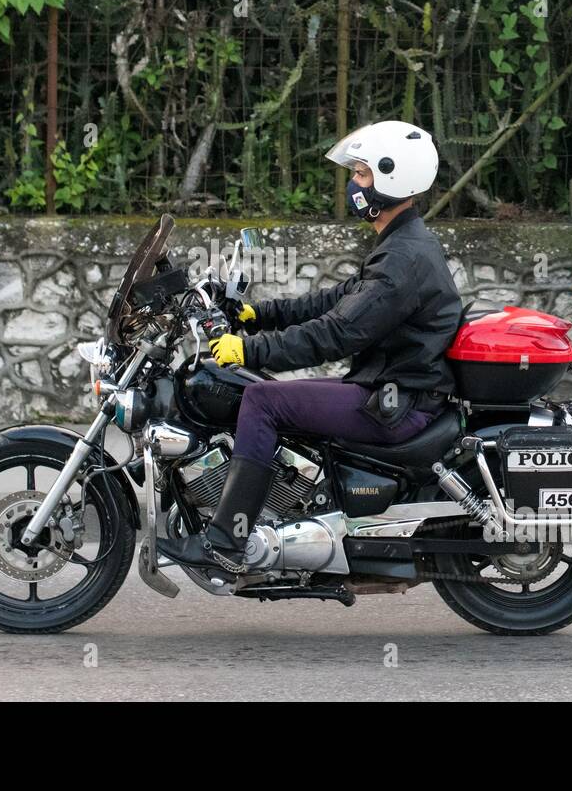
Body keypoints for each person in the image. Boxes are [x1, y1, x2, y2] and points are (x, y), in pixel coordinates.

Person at [160, 121, 464, 574]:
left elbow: (336, 333)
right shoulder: (401, 244)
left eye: (361, 174)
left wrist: (250, 351)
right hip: (392, 391)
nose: (354, 185)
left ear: (390, 177)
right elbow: (334, 300)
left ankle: (225, 541)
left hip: (397, 404)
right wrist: (258, 316)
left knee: (262, 401)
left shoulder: (403, 258)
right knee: (267, 395)